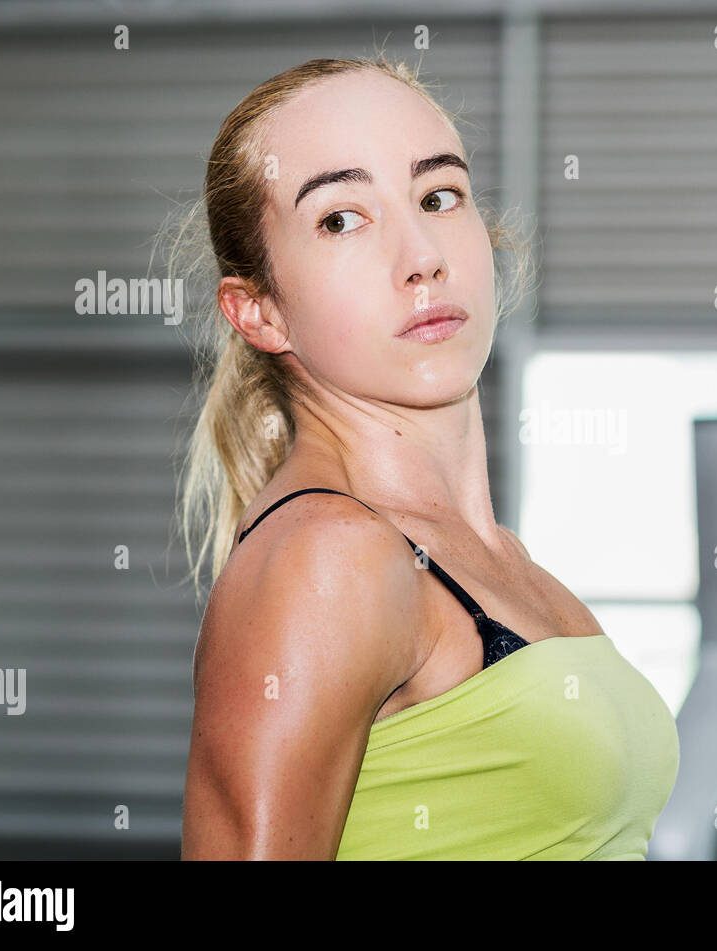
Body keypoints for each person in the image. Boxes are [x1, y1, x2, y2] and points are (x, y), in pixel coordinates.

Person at [173, 56, 680, 859]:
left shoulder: (501, 559)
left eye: (438, 196)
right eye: (342, 218)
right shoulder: (329, 557)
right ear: (260, 312)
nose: (421, 256)